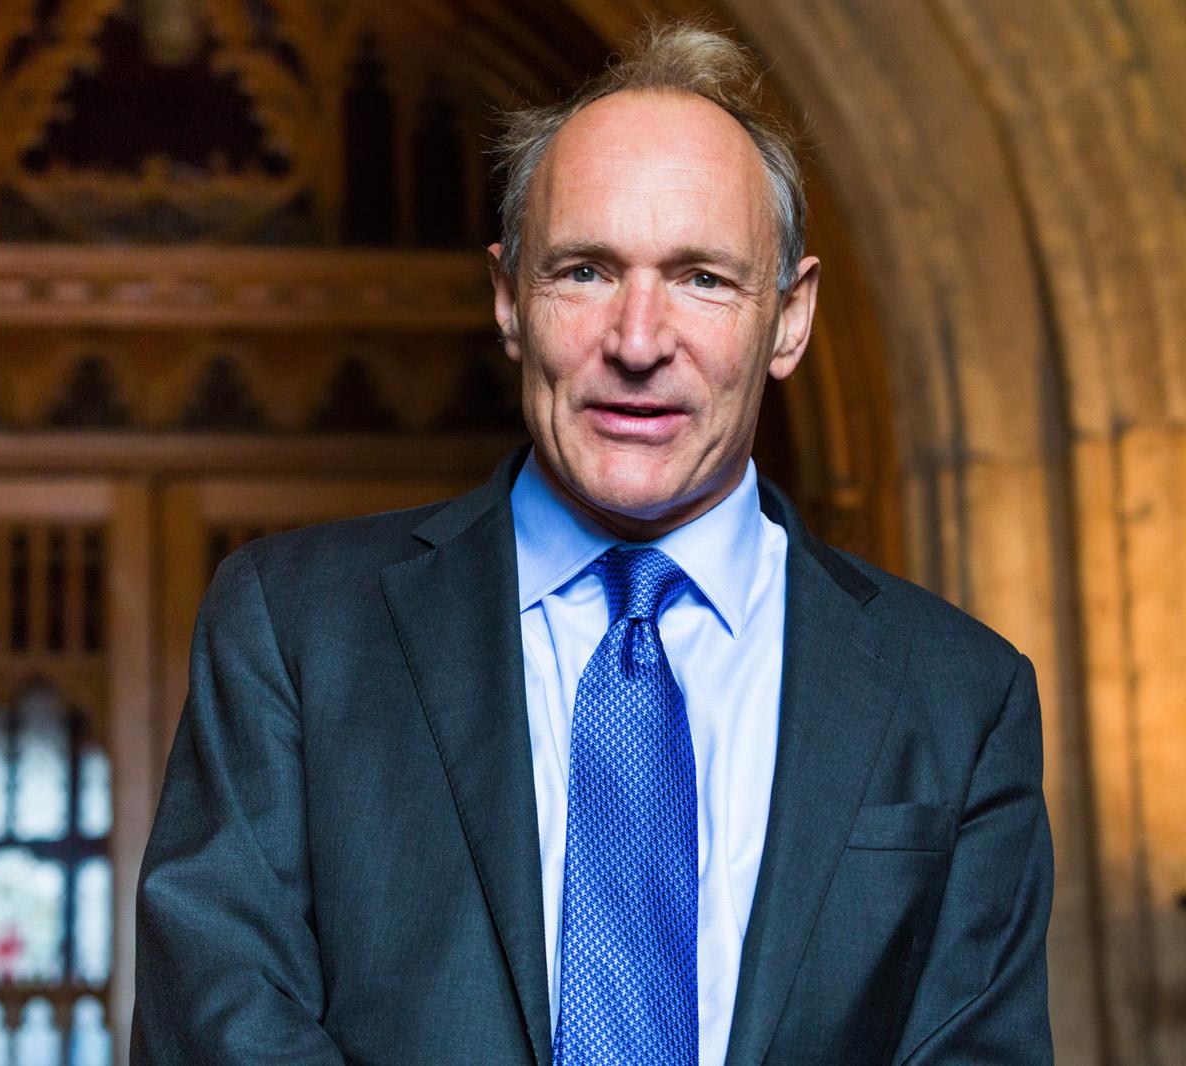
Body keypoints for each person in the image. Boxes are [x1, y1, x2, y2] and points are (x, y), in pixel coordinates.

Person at [132, 21, 1053, 1066]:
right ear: (507, 299)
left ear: (790, 318)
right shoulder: (296, 633)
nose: (638, 340)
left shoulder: (957, 696)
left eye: (703, 278)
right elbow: (214, 1028)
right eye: (584, 271)